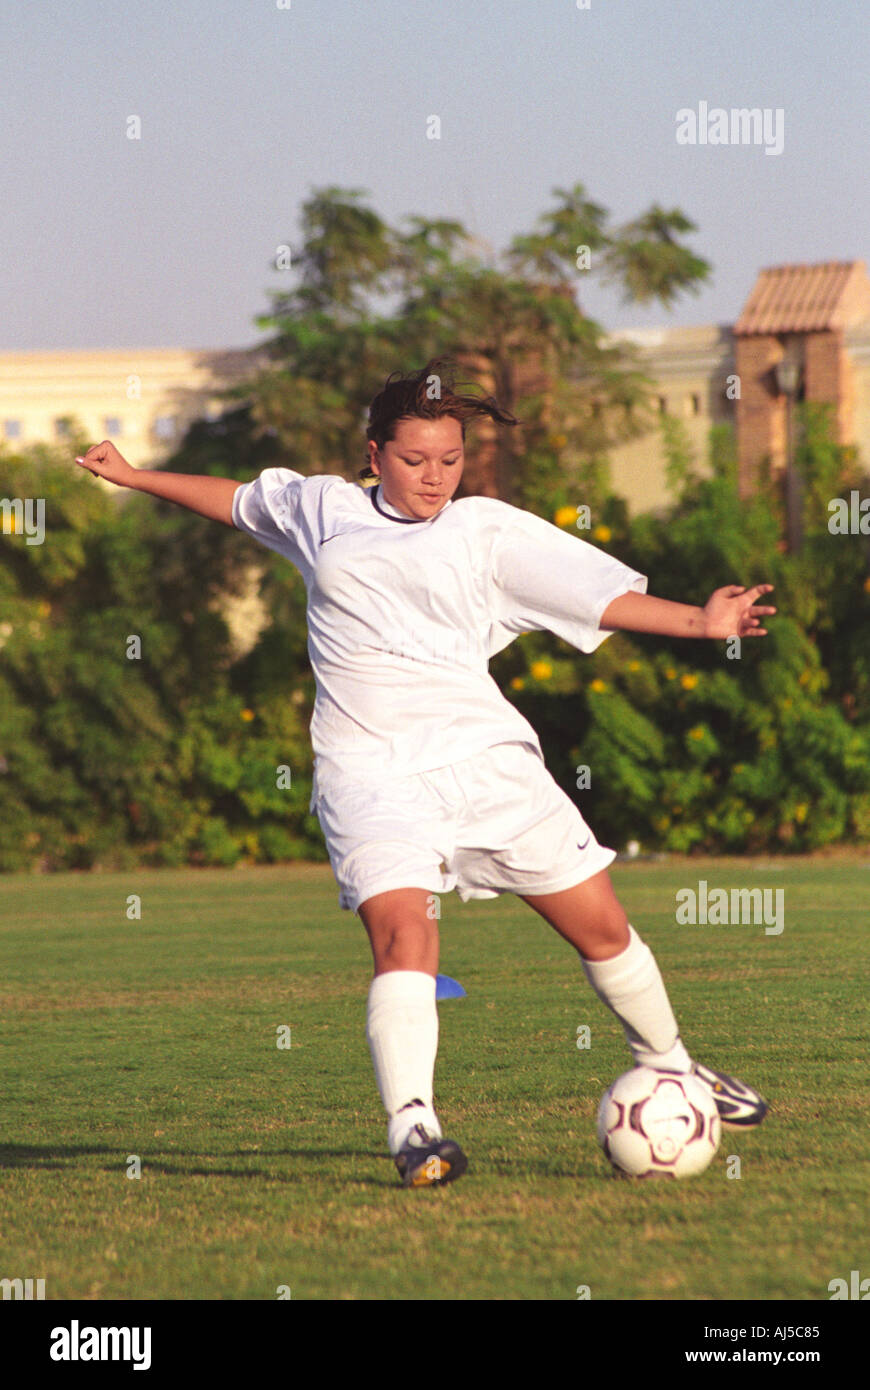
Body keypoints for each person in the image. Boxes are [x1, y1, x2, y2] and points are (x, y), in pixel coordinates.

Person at [75, 357, 774, 1189]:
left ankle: (674, 1067)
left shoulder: (487, 531)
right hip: (369, 771)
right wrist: (132, 475)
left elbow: (594, 598)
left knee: (604, 928)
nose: (435, 476)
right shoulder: (320, 510)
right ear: (373, 455)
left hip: (484, 762)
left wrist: (701, 621)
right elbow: (230, 500)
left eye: (449, 459)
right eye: (415, 460)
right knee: (405, 935)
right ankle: (415, 1129)